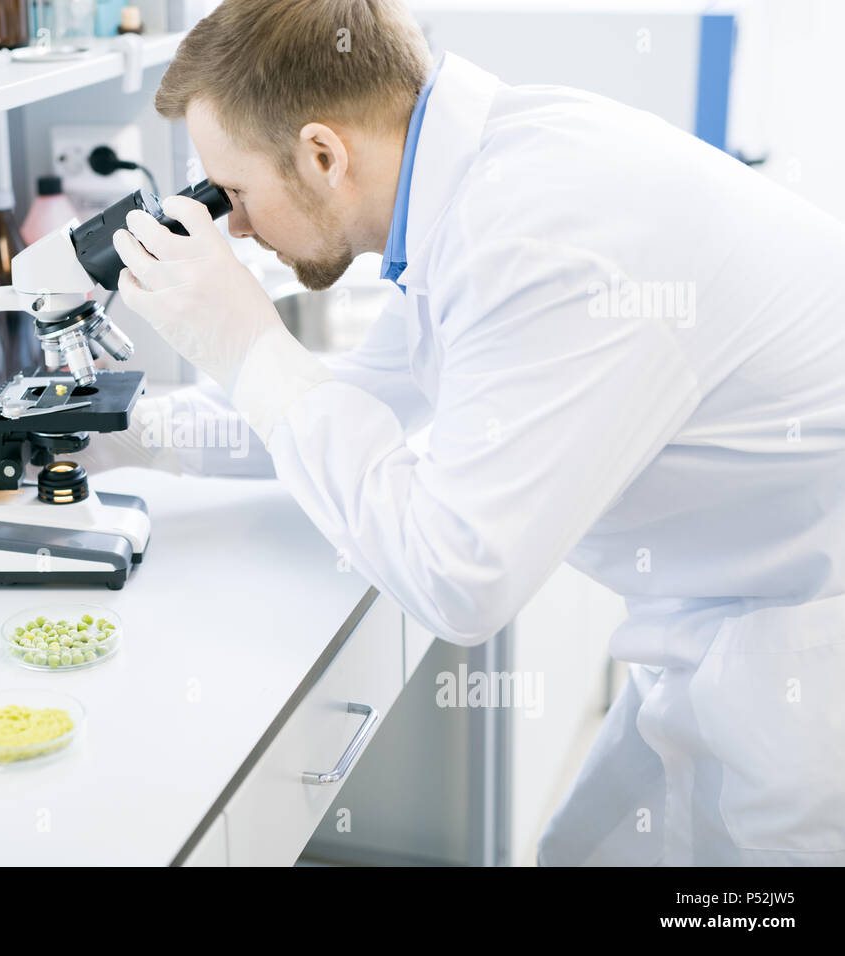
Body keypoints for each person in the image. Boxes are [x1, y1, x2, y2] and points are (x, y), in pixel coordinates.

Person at [84, 0, 845, 865]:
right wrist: (124, 430)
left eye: (236, 193)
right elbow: (359, 394)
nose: (240, 227)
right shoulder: (476, 183)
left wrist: (246, 341)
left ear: (323, 154)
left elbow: (459, 579)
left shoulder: (536, 232)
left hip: (805, 676)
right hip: (728, 628)